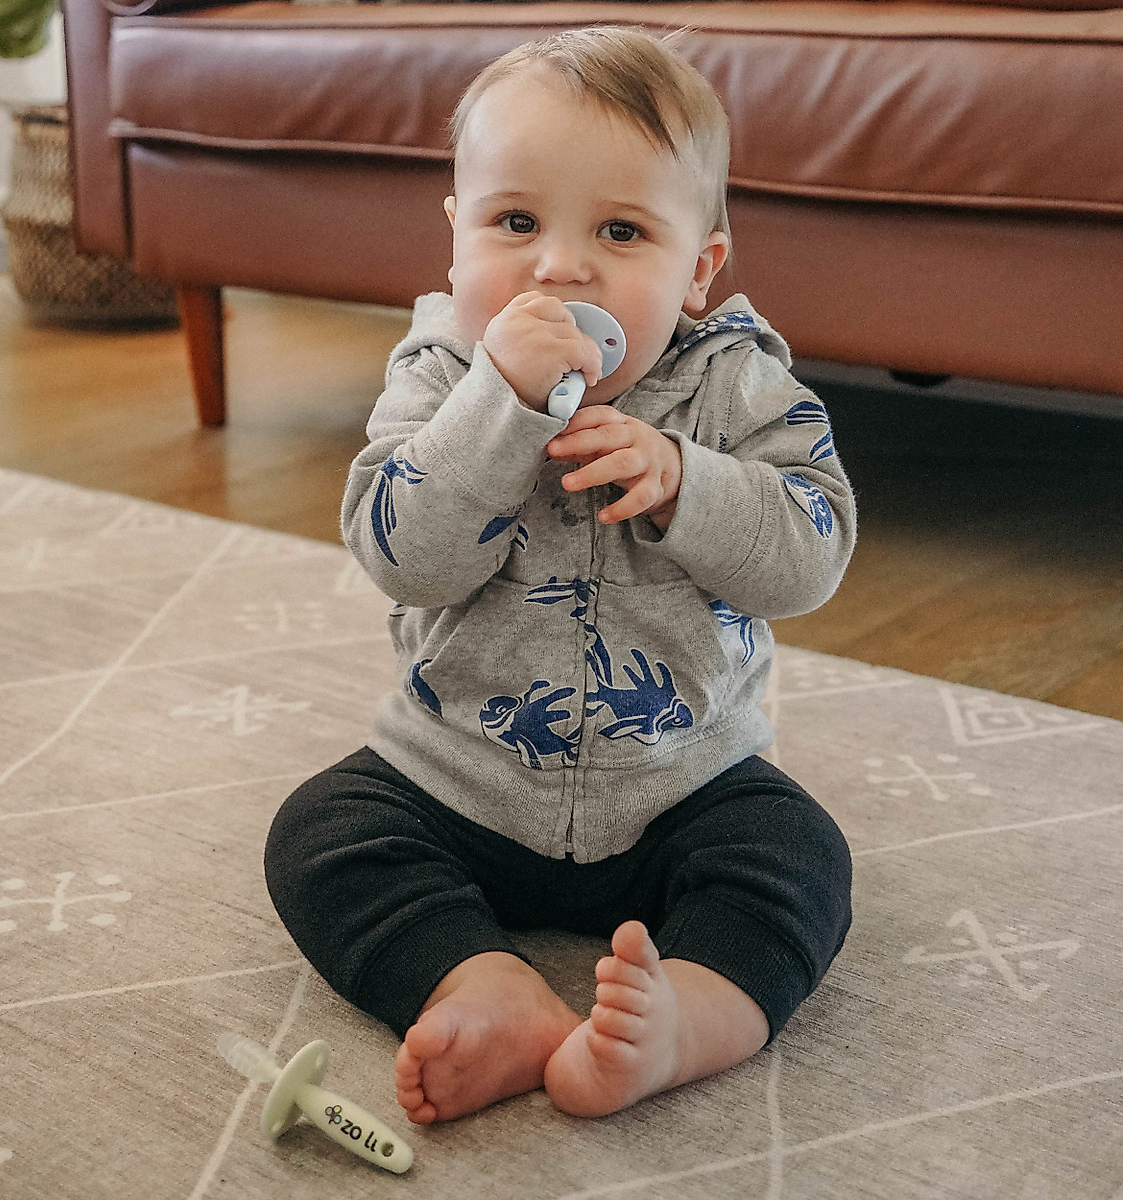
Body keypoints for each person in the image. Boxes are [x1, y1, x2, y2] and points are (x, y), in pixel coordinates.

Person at [264, 26, 856, 1125]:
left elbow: (812, 549)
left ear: (698, 270)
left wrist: (688, 480)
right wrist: (494, 404)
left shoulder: (737, 387)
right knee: (319, 835)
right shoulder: (439, 375)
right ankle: (483, 988)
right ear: (455, 240)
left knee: (800, 861)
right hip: (456, 778)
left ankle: (687, 1017)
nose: (559, 265)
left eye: (622, 230)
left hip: (684, 785)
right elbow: (401, 555)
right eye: (516, 222)